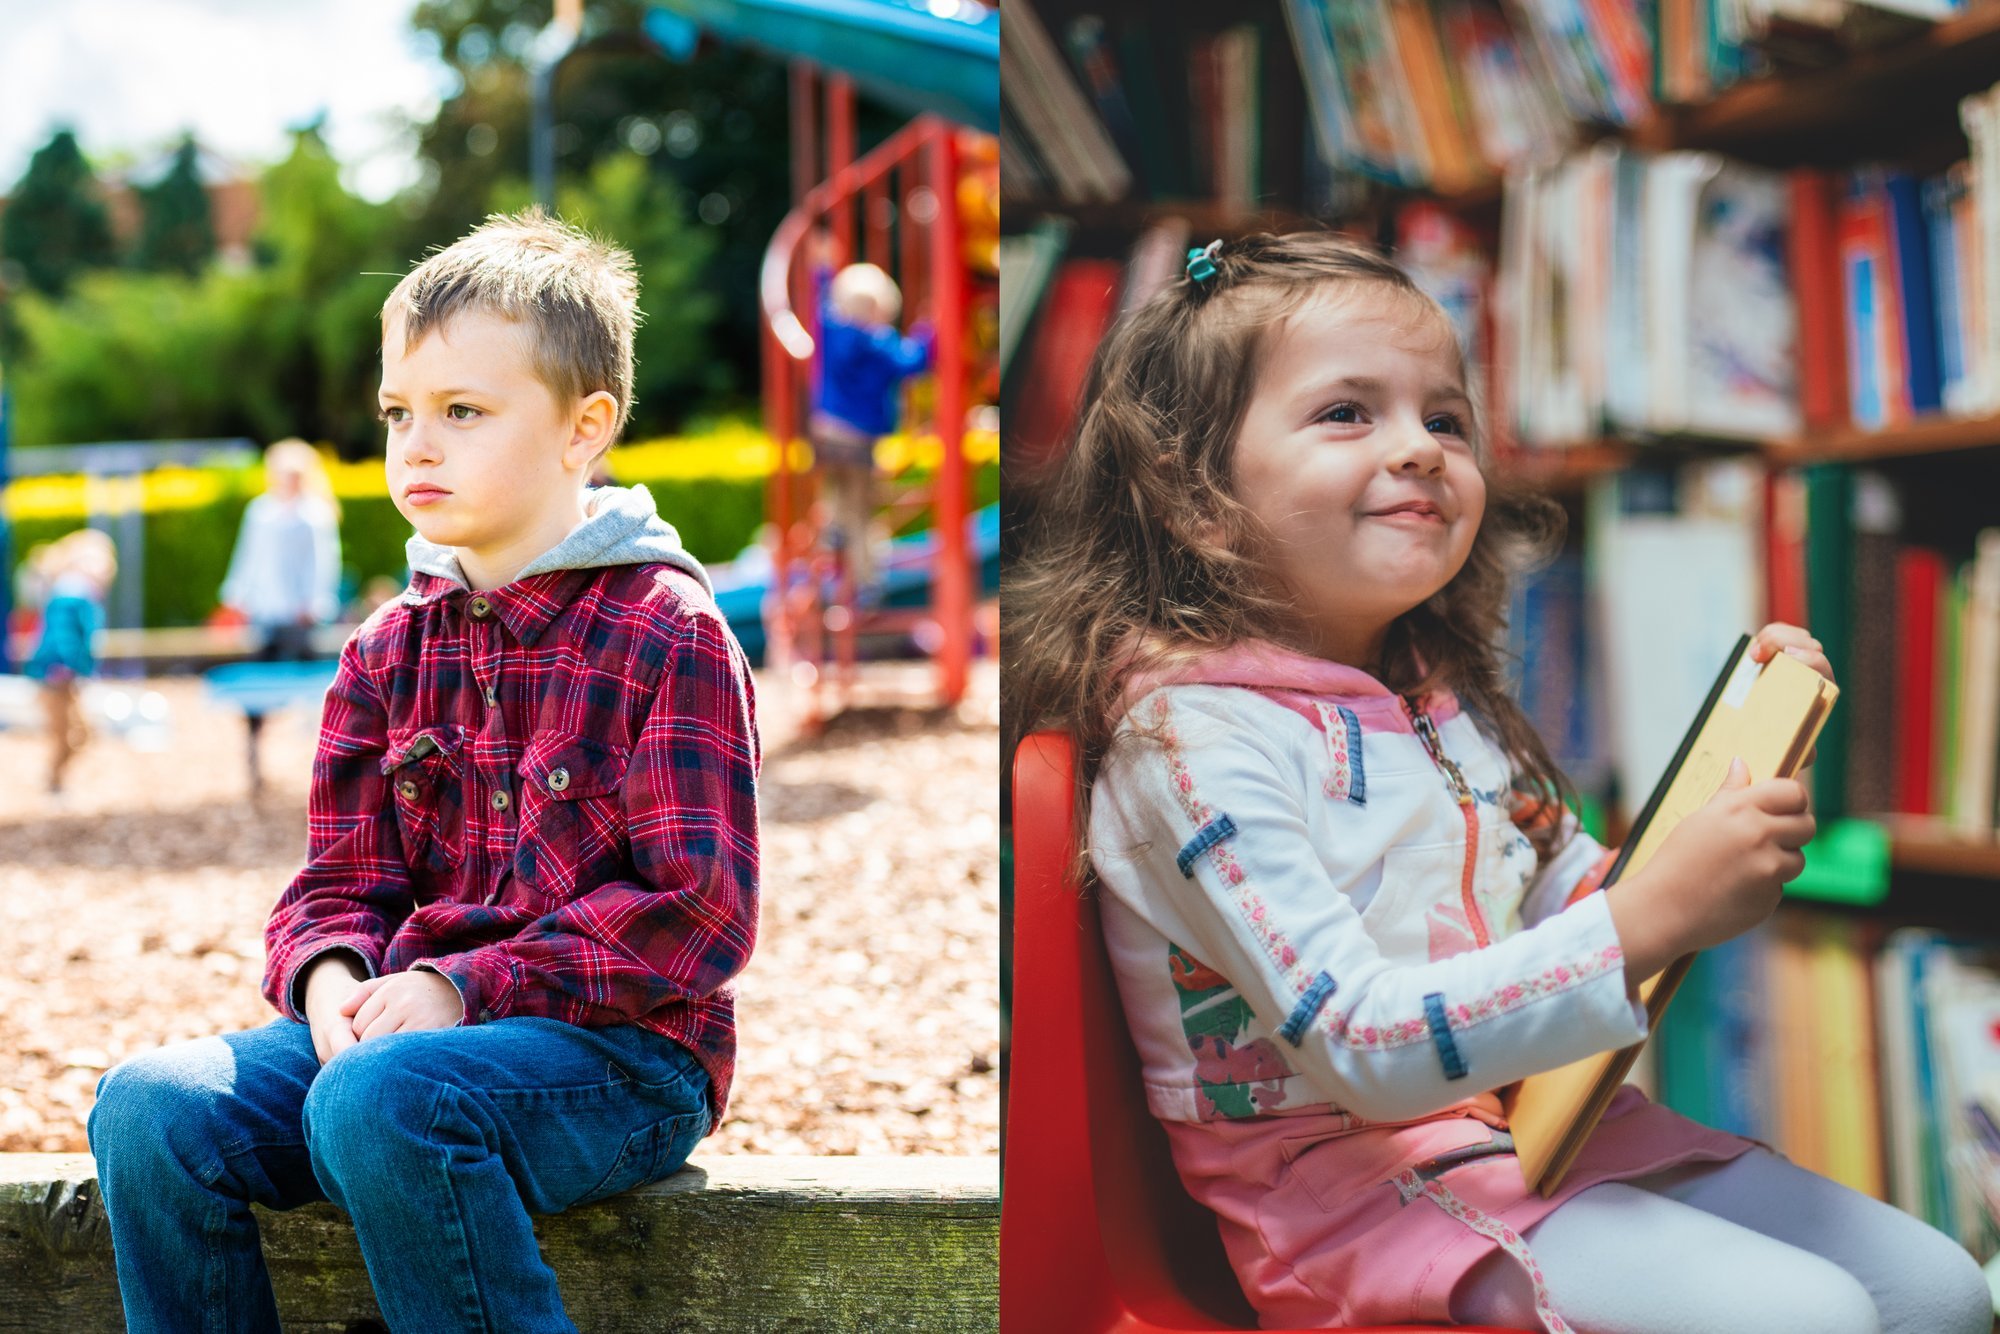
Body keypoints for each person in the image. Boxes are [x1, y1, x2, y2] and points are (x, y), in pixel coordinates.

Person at [1004, 231, 1992, 1334]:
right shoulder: (1184, 744)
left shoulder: (1434, 695)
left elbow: (1571, 889)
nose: (1419, 448)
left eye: (1444, 417)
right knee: (1812, 1316)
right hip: (1359, 1198)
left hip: (1537, 1131)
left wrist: (1723, 797)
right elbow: (1362, 1049)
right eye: (1346, 412)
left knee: (1939, 1289)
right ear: (1194, 499)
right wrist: (1646, 916)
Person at [87, 207, 761, 1331]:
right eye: (400, 412)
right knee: (150, 1107)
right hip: (400, 1050)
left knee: (380, 1098)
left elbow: (697, 912)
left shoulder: (666, 630)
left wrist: (465, 984)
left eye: (462, 411)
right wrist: (328, 981)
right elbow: (337, 885)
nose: (418, 444)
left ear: (581, 428)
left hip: (624, 1058)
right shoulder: (385, 647)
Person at [810, 248, 934, 600]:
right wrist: (930, 328)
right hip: (860, 439)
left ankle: (832, 531)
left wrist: (821, 272)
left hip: (826, 430)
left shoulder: (829, 329)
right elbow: (915, 362)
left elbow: (817, 299)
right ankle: (867, 581)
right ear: (879, 310)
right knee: (862, 511)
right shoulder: (880, 343)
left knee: (834, 490)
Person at [220, 437, 343, 662]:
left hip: (300, 612)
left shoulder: (316, 514)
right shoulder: (260, 511)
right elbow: (247, 556)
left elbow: (324, 562)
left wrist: (316, 603)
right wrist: (236, 596)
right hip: (265, 609)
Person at [21, 528, 115, 795]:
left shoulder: (76, 592)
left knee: (79, 732)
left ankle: (58, 782)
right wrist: (68, 663)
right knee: (67, 733)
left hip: (64, 673)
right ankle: (53, 784)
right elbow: (63, 634)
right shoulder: (71, 592)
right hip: (57, 673)